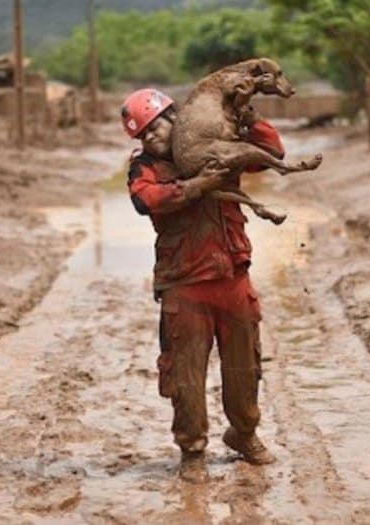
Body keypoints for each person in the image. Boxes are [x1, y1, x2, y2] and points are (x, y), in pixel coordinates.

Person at [121, 88, 285, 482]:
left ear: (176, 118)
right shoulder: (143, 168)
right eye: (142, 135)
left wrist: (248, 117)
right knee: (186, 376)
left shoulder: (218, 147)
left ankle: (244, 434)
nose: (150, 138)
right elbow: (147, 200)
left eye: (154, 127)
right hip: (185, 286)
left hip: (233, 279)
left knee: (245, 367)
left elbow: (271, 151)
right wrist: (196, 186)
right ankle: (192, 451)